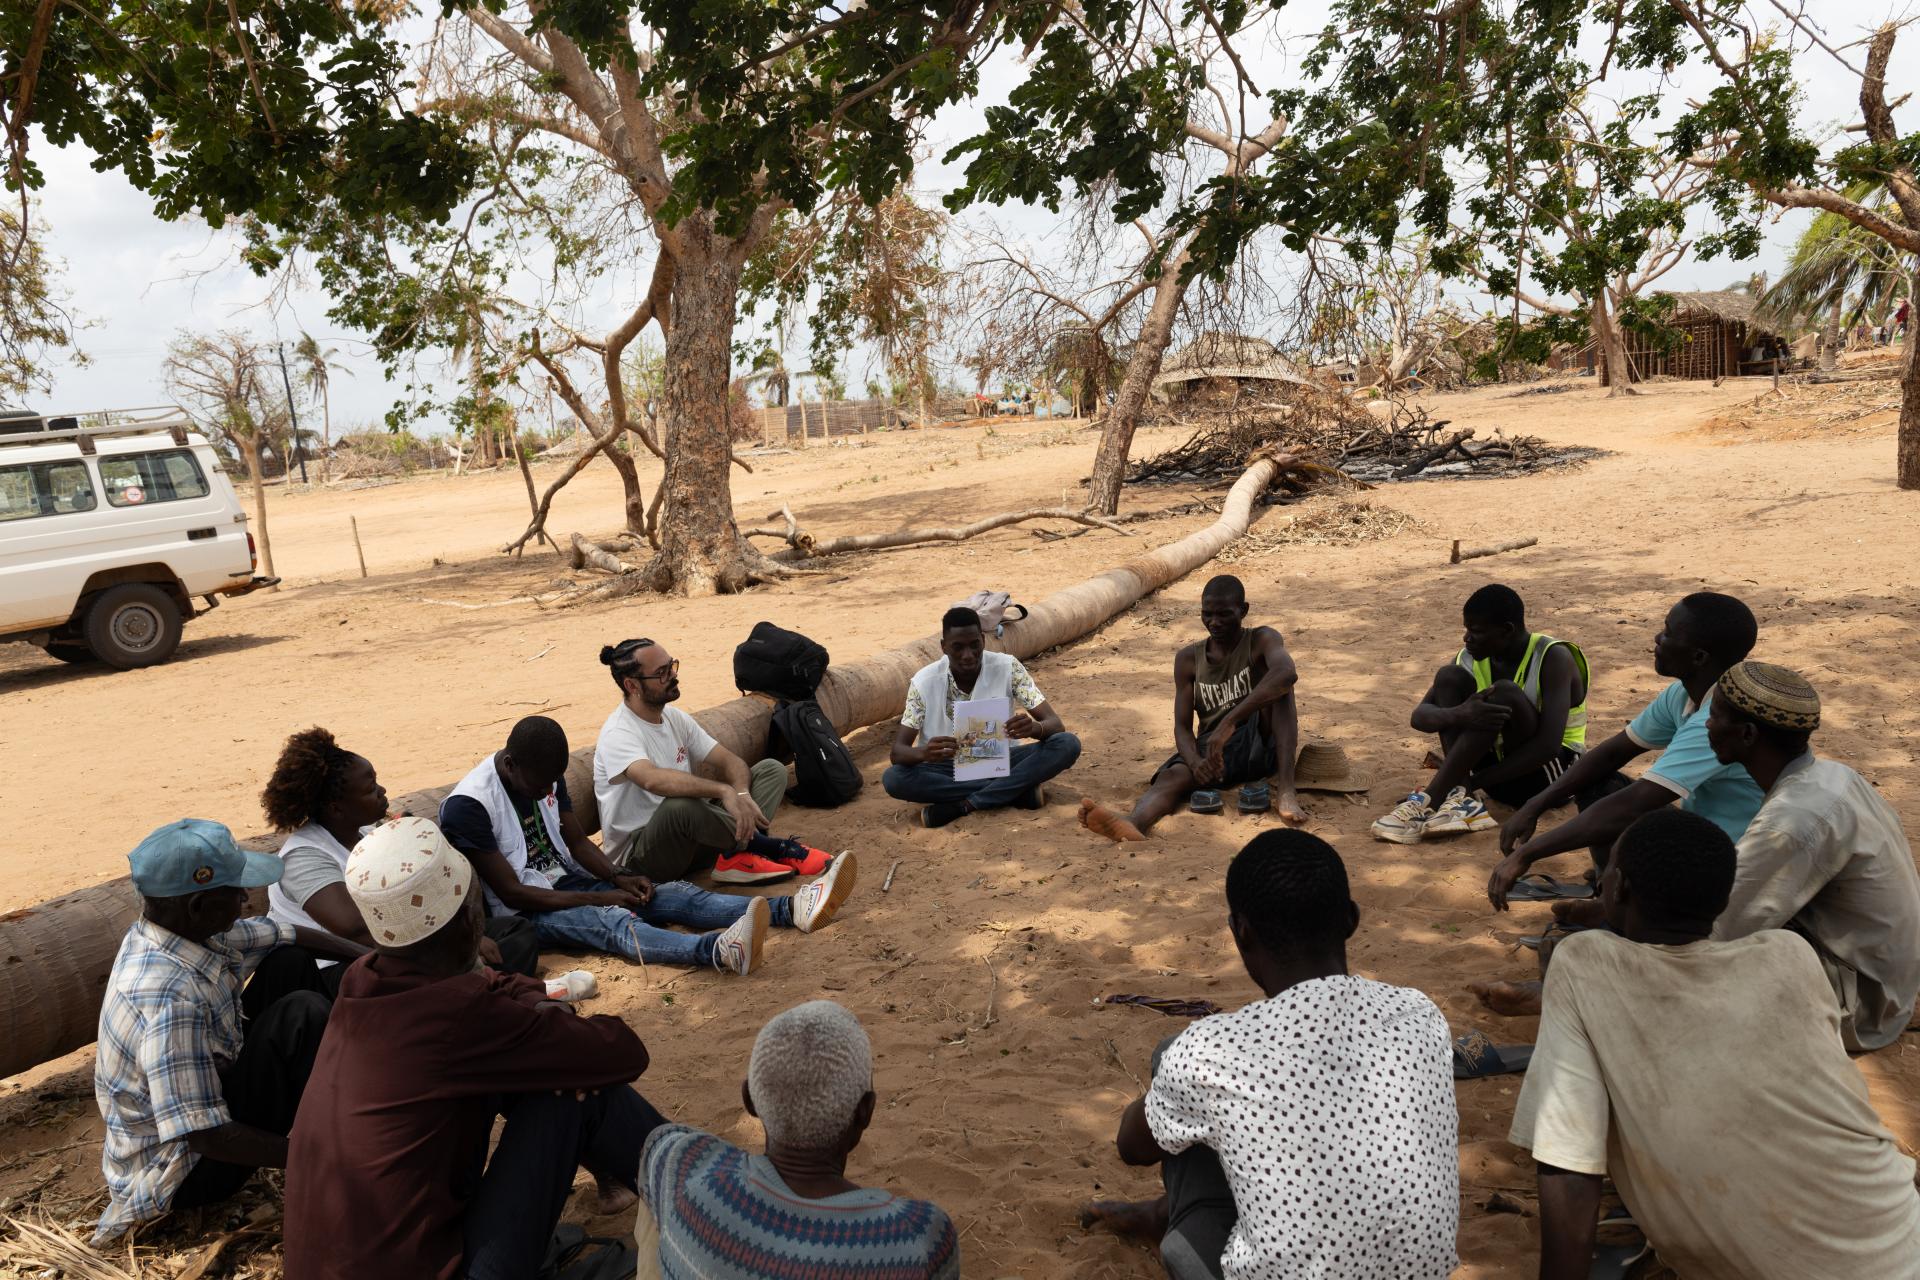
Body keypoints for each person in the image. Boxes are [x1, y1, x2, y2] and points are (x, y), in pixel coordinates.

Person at [1510, 809, 1920, 1279]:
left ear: (1617, 888)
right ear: (1724, 898)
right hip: (1900, 1233)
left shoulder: (1584, 964)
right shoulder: (1790, 956)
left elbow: (1568, 1163)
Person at [284, 817, 667, 1280]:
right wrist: (552, 1020)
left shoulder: (362, 981)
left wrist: (534, 1005)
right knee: (576, 1093)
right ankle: (706, 1206)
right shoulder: (458, 1017)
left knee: (541, 1069)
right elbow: (622, 1051)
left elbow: (488, 982)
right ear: (470, 916)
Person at [1081, 830, 1458, 1279]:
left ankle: (1171, 1220)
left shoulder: (1209, 1054)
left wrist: (1174, 1088)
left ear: (1240, 931)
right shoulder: (1419, 1014)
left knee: (1177, 1068)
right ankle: (1162, 1211)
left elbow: (1132, 1148)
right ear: (1352, 920)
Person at [93, 819, 366, 1243]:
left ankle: (339, 1110)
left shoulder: (179, 931)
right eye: (235, 891)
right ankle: (347, 1141)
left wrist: (371, 958)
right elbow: (206, 1136)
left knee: (288, 962)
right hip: (185, 1171)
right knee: (303, 1014)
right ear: (197, 905)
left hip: (208, 1108)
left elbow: (285, 933)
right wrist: (315, 1159)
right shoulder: (169, 1000)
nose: (244, 898)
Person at [444, 716, 855, 976]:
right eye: (539, 787)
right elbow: (513, 893)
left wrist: (619, 876)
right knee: (613, 921)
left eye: (552, 784)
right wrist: (604, 896)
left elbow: (576, 841)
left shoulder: (543, 774)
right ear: (511, 765)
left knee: (670, 893)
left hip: (569, 881)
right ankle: (717, 951)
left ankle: (792, 909)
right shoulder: (470, 805)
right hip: (528, 912)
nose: (547, 792)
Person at [640, 1001, 960, 1278]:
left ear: (749, 1100)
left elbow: (665, 1142)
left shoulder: (679, 1166)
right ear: (865, 1112)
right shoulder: (917, 1235)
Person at [1487, 592, 1763, 908]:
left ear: (1699, 657)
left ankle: (1618, 909)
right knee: (1600, 783)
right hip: (1703, 833)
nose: (1657, 638)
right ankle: (1611, 891)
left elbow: (1636, 802)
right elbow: (1612, 753)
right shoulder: (1684, 694)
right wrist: (1536, 803)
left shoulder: (1717, 723)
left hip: (1731, 858)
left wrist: (1527, 853)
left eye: (1668, 633)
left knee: (1622, 812)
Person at [1702, 661, 1920, 1052]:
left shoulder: (1794, 820)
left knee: (1680, 973)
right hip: (1884, 980)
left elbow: (1720, 929)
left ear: (1747, 734)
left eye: (1715, 715)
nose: (1706, 724)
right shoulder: (1834, 776)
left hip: (1859, 1008)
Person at [261, 727, 537, 984]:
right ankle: (469, 988)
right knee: (436, 970)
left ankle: (465, 987)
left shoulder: (366, 833)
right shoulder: (304, 857)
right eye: (371, 789)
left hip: (400, 946)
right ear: (336, 808)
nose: (382, 791)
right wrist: (453, 944)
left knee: (515, 933)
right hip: (341, 966)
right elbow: (356, 928)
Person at [1082, 576, 1304, 840]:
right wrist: (1195, 762)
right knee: (1172, 776)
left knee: (1280, 687)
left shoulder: (1262, 639)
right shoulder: (1188, 659)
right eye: (1207, 614)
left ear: (1243, 610)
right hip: (1217, 752)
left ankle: (1287, 790)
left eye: (1224, 614)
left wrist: (1230, 721)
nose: (1214, 622)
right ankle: (1134, 823)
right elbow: (1182, 727)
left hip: (1261, 744)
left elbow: (1286, 672)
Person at [593, 638, 831, 885]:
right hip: (643, 861)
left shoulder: (674, 717)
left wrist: (740, 793)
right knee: (680, 807)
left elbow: (729, 761)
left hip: (690, 844)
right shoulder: (618, 732)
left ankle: (739, 857)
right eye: (661, 673)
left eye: (672, 666)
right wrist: (722, 790)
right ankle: (773, 848)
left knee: (770, 771)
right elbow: (652, 780)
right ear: (632, 685)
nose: (673, 675)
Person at [1372, 584, 1591, 844]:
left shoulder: (1554, 657)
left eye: (1476, 631)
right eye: (1466, 629)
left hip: (1550, 780)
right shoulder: (1471, 657)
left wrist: (1462, 782)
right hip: (1498, 777)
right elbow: (1419, 717)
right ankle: (1461, 800)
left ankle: (1440, 794)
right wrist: (1461, 713)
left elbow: (1547, 747)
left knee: (1504, 693)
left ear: (1507, 630)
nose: (1467, 638)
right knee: (1448, 677)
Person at [883, 605, 1082, 828]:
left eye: (974, 645)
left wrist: (1034, 728)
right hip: (947, 767)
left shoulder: (1008, 667)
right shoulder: (924, 682)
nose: (968, 655)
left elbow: (1055, 724)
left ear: (983, 640)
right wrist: (924, 752)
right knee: (894, 778)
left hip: (1002, 761)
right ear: (944, 647)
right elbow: (898, 753)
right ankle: (1013, 792)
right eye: (958, 647)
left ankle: (965, 805)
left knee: (1067, 744)